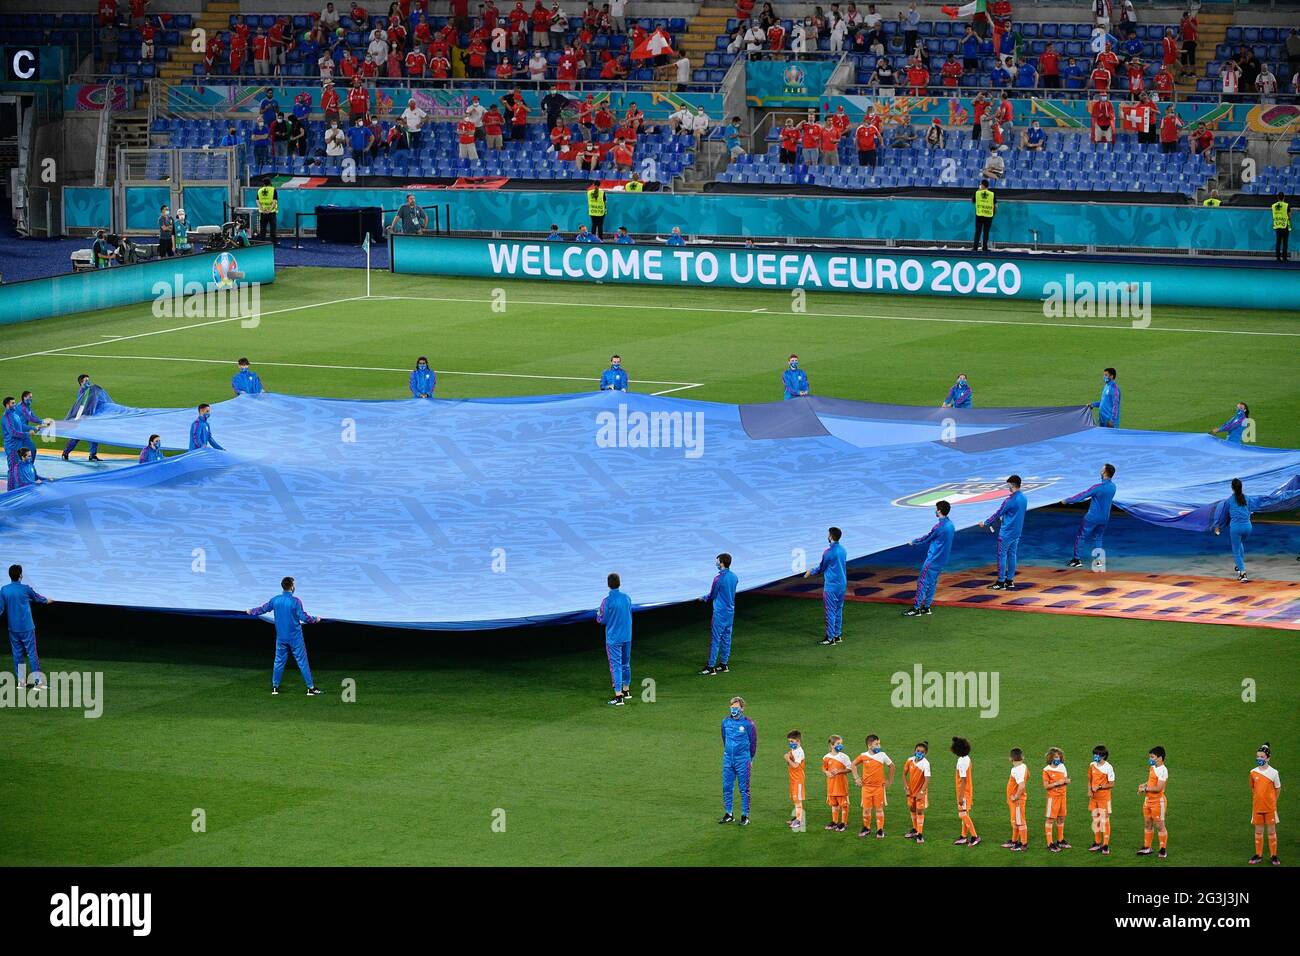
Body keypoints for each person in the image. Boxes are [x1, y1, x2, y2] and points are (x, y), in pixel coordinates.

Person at [246, 576, 323, 696]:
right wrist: (315, 619)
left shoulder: (275, 600)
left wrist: (251, 611)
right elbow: (303, 617)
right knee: (302, 662)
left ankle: (275, 687)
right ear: (292, 586)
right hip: (295, 638)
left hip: (281, 637)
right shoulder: (295, 601)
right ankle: (311, 688)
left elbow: (262, 609)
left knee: (278, 661)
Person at [1, 564, 51, 690]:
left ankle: (21, 682)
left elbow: (0, 609)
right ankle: (38, 682)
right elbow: (38, 598)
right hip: (27, 628)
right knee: (32, 653)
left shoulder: (4, 590)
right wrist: (47, 600)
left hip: (13, 628)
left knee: (17, 654)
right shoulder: (25, 589)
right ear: (21, 575)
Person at [903, 500, 954, 617]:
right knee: (932, 582)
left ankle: (916, 608)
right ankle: (927, 607)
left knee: (922, 582)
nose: (935, 511)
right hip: (942, 559)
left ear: (939, 511)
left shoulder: (939, 527)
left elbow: (927, 538)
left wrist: (913, 542)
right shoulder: (951, 524)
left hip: (933, 559)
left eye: (936, 509)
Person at [1062, 463, 1117, 568]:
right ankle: (1098, 561)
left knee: (1080, 536)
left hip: (1092, 517)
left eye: (1102, 469)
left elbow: (1082, 496)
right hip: (1105, 518)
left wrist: (1067, 500)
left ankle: (1077, 560)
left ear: (1105, 472)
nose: (1100, 470)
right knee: (1098, 537)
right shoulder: (1113, 487)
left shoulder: (1098, 487)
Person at [979, 475, 1026, 591]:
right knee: (1012, 555)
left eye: (1008, 484)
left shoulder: (1009, 500)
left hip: (1006, 533)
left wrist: (985, 523)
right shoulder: (1024, 498)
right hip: (1017, 532)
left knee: (1002, 556)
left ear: (1012, 484)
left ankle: (1000, 582)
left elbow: (997, 514)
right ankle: (1009, 581)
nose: (1007, 486)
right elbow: (1014, 513)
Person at [804, 526, 847, 645]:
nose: (827, 536)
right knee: (838, 609)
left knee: (830, 611)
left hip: (831, 586)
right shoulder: (843, 550)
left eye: (828, 534)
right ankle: (837, 635)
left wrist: (810, 572)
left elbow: (821, 567)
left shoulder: (829, 552)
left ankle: (830, 638)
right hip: (842, 584)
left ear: (831, 536)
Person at [1213, 477, 1260, 583]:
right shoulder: (1247, 498)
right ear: (1241, 487)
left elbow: (1222, 514)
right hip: (1248, 527)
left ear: (1232, 488)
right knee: (1239, 544)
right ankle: (1240, 566)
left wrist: (1217, 526)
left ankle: (1243, 574)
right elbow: (1250, 511)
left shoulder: (1229, 500)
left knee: (1236, 551)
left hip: (1236, 528)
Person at [718, 696, 756, 825]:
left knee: (744, 789)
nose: (733, 709)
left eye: (736, 707)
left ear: (742, 708)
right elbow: (724, 738)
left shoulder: (748, 723)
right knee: (727, 787)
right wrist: (729, 752)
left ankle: (745, 815)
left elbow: (753, 742)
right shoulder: (725, 722)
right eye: (732, 707)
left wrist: (750, 758)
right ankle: (729, 813)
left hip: (743, 760)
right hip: (728, 759)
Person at [698, 553, 738, 675]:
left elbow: (713, 594)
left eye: (717, 561)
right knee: (727, 638)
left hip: (720, 613)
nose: (716, 563)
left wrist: (703, 598)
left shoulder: (718, 579)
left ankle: (711, 667)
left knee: (716, 639)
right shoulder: (734, 577)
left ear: (721, 563)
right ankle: (724, 664)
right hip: (730, 612)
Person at [597, 572, 632, 705]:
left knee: (615, 666)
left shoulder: (607, 601)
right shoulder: (627, 598)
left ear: (608, 584)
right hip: (627, 635)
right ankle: (626, 690)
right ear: (619, 583)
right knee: (626, 663)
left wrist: (598, 615)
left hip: (614, 638)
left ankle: (618, 697)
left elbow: (602, 619)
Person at [61, 373, 111, 462]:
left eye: (88, 380)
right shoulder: (82, 392)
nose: (89, 382)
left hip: (90, 417)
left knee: (94, 436)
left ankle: (92, 455)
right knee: (77, 437)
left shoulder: (89, 390)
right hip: (83, 418)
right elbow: (82, 405)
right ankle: (65, 453)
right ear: (81, 382)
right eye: (86, 380)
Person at [853, 734, 894, 838]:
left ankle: (880, 830)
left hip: (879, 788)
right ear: (869, 745)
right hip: (866, 788)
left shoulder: (882, 755)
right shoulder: (863, 755)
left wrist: (890, 780)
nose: (879, 746)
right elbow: (853, 765)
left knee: (879, 809)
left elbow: (892, 766)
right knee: (866, 809)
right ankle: (866, 828)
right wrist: (857, 778)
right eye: (876, 744)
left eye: (879, 743)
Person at [1249, 743, 1281, 866]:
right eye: (1258, 757)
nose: (1259, 759)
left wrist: (1273, 801)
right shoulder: (1252, 772)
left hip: (1270, 808)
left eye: (1262, 757)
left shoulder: (1274, 773)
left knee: (1272, 832)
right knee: (1258, 832)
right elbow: (1253, 788)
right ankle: (1258, 855)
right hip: (1257, 807)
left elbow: (1277, 788)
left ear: (1268, 758)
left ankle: (1274, 856)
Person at [1137, 745, 1169, 858]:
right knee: (1147, 823)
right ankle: (1147, 847)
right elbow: (1151, 782)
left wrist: (1145, 789)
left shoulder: (1163, 770)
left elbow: (1159, 788)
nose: (1150, 759)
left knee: (1160, 825)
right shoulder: (1153, 767)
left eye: (1152, 757)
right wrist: (1144, 784)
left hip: (1158, 802)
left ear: (1160, 758)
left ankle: (1162, 849)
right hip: (1148, 801)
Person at [950, 737, 980, 847]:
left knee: (962, 814)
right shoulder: (966, 758)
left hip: (963, 792)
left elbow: (963, 780)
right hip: (967, 790)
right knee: (965, 814)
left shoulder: (962, 762)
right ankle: (963, 836)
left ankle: (974, 836)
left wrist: (960, 797)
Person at [901, 741, 931, 844]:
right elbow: (904, 774)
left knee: (919, 811)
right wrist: (906, 788)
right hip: (911, 792)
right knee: (912, 808)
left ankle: (919, 834)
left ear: (925, 753)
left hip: (920, 792)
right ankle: (915, 829)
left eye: (922, 752)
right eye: (918, 751)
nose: (919, 753)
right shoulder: (909, 760)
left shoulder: (926, 764)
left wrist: (922, 792)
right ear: (915, 750)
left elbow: (927, 779)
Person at [1088, 744, 1116, 855]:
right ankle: (1097, 842)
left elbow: (1112, 783)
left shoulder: (1108, 767)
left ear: (1103, 756)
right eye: (1094, 754)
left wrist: (1099, 787)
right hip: (1094, 798)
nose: (1095, 756)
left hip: (1104, 799)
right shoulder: (1092, 765)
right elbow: (1089, 779)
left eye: (1097, 754)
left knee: (1104, 820)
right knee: (1096, 819)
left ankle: (1105, 845)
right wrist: (1089, 790)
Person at [823, 734, 854, 831]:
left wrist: (840, 771)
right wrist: (826, 772)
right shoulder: (826, 757)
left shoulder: (844, 757)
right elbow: (824, 768)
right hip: (831, 786)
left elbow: (850, 768)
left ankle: (843, 823)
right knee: (834, 804)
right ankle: (835, 821)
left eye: (841, 743)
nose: (840, 745)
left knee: (844, 805)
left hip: (841, 785)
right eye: (838, 743)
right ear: (832, 745)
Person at [1042, 747, 1071, 852]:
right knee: (1050, 819)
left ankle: (1060, 840)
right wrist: (1056, 783)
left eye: (1059, 756)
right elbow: (1046, 786)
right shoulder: (1046, 770)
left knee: (1061, 817)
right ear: (1051, 758)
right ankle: (1050, 843)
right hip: (1053, 798)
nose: (1058, 758)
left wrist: (1067, 781)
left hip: (1063, 796)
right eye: (1056, 757)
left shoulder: (1062, 767)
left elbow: (1066, 779)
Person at [1004, 747, 1029, 851]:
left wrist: (1016, 796)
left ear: (1010, 758)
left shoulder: (1016, 770)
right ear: (1022, 757)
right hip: (1015, 801)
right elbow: (1028, 776)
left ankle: (1023, 844)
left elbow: (1022, 785)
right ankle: (1014, 841)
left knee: (1020, 822)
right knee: (1015, 821)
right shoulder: (1024, 767)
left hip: (1017, 801)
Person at [785, 730, 807, 832]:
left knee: (798, 801)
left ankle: (799, 821)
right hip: (793, 779)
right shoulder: (793, 750)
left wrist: (788, 759)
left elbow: (795, 765)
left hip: (798, 780)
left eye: (792, 741)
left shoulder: (799, 752)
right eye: (789, 741)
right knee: (795, 799)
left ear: (798, 741)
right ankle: (796, 818)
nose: (790, 743)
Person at [972, 177, 995, 252]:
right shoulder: (992, 194)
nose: (980, 186)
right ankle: (984, 248)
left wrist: (979, 190)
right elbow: (995, 205)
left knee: (977, 232)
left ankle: (975, 248)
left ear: (983, 186)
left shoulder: (977, 193)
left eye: (981, 185)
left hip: (979, 215)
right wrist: (993, 214)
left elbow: (973, 201)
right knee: (986, 232)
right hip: (988, 216)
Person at [1271, 191, 1292, 262]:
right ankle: (1284, 258)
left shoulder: (1273, 206)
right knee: (1285, 242)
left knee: (1278, 242)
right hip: (1285, 226)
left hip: (1277, 225)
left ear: (1277, 197)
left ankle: (1278, 258)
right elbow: (1289, 217)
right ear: (1284, 197)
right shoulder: (1287, 205)